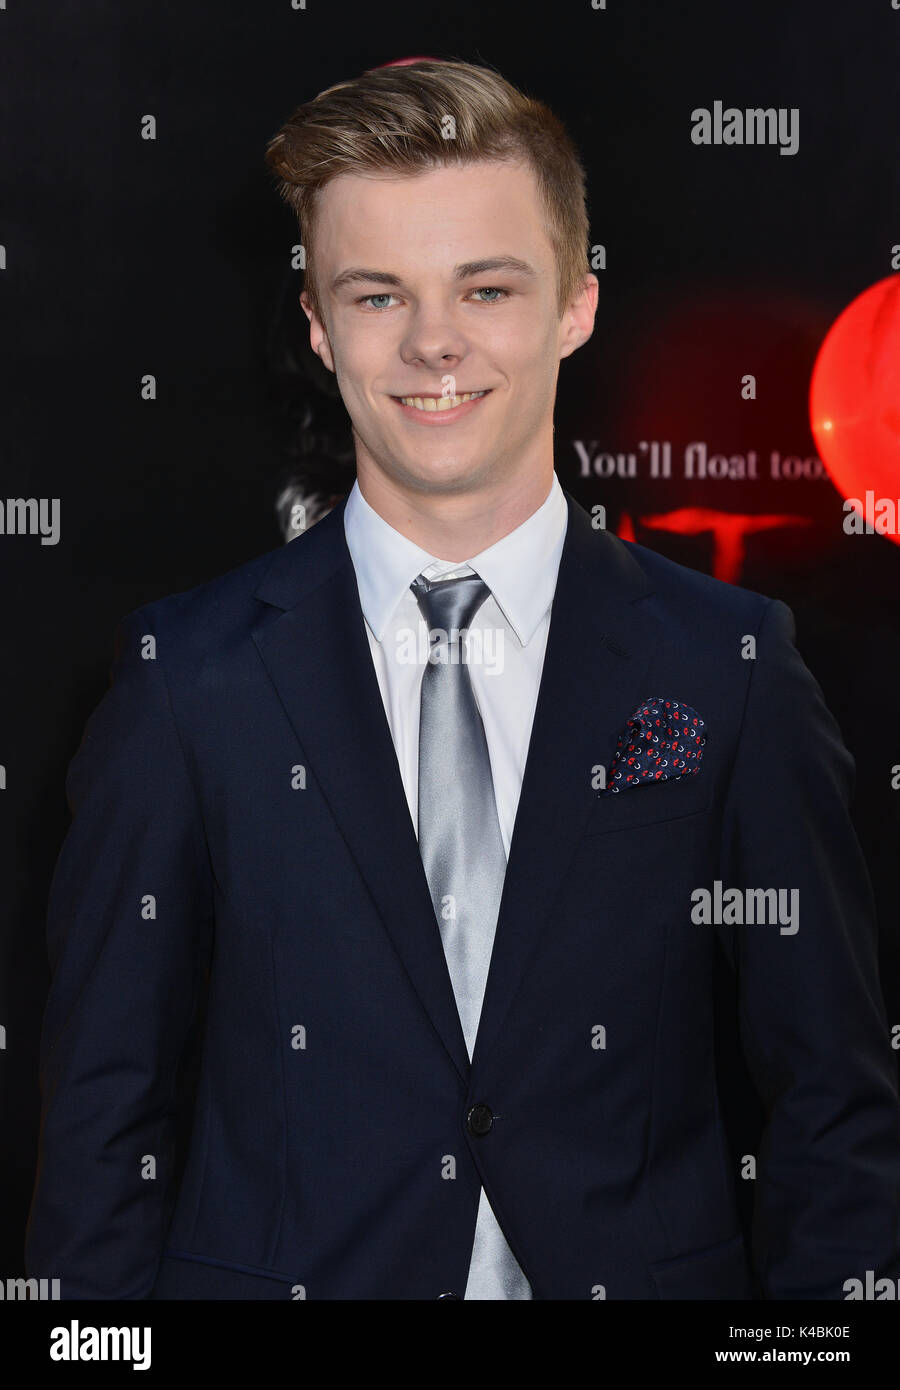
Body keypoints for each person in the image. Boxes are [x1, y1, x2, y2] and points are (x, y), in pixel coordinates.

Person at [25, 58, 900, 1300]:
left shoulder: (731, 667)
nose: (435, 341)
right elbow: (103, 1118)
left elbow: (834, 1101)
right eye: (378, 295)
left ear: (576, 307)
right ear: (320, 326)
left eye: (487, 288)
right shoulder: (187, 679)